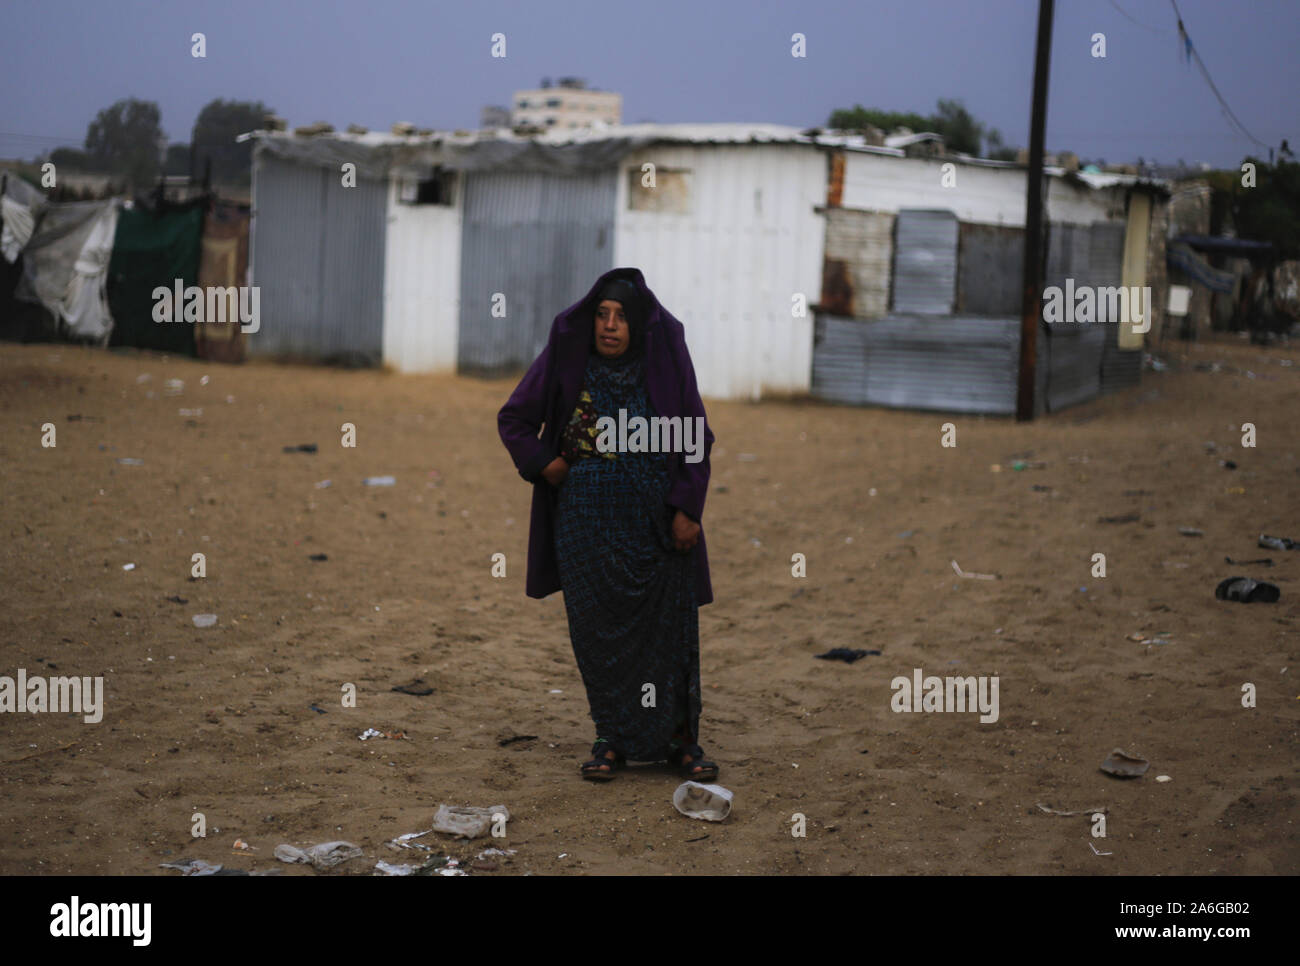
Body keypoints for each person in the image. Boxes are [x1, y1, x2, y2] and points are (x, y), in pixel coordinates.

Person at [498, 267, 718, 782]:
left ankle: (682, 743)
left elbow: (694, 435)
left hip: (657, 529)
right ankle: (611, 738)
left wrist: (688, 508)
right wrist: (545, 464)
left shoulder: (662, 363)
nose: (609, 326)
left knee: (669, 633)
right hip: (584, 528)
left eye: (620, 317)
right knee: (600, 636)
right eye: (601, 315)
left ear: (637, 324)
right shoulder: (569, 361)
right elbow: (515, 420)